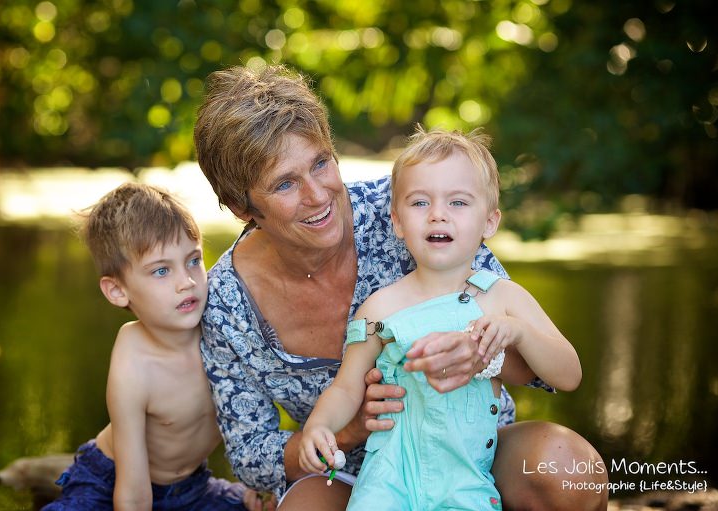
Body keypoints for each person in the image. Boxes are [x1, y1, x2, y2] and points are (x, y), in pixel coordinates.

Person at [194, 64, 608, 510]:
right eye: (285, 184)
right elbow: (252, 456)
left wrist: (484, 355)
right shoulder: (225, 303)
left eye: (320, 163)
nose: (317, 195)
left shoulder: (421, 203)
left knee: (569, 469)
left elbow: (547, 374)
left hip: (471, 453)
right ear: (242, 206)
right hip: (360, 475)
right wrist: (348, 429)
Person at [298, 127, 582, 509]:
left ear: (490, 222)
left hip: (465, 480)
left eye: (459, 203)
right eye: (419, 203)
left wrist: (517, 333)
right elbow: (347, 389)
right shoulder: (379, 309)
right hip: (388, 481)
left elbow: (569, 375)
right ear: (397, 222)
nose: (437, 215)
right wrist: (318, 427)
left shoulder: (501, 297)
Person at [43, 183, 268, 511]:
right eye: (162, 270)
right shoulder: (134, 360)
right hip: (111, 483)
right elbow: (132, 494)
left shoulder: (224, 325)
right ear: (118, 291)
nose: (186, 281)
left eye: (193, 260)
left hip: (192, 486)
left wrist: (262, 480)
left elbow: (256, 411)